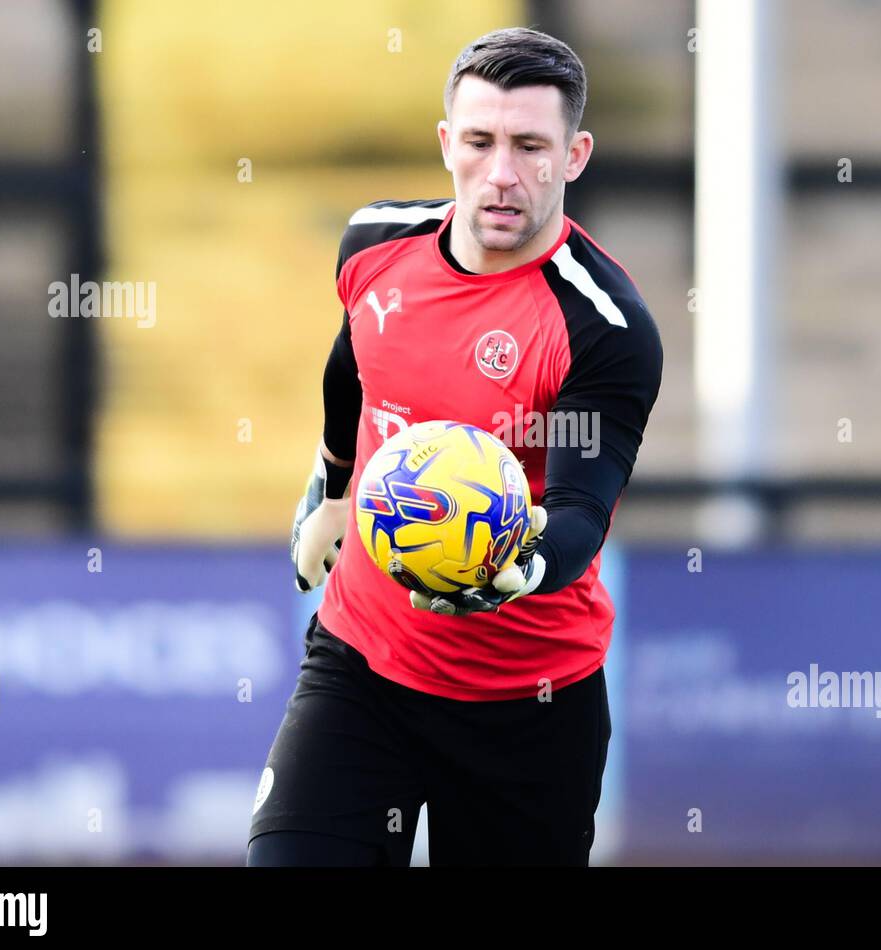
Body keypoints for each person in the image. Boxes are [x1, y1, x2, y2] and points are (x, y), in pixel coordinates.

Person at [248, 27, 662, 866]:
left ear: (574, 155)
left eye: (530, 146)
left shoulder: (604, 328)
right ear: (448, 144)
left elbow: (582, 508)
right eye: (480, 142)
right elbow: (352, 359)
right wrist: (331, 487)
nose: (502, 174)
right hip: (363, 668)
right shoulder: (373, 244)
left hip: (530, 704)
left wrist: (517, 572)